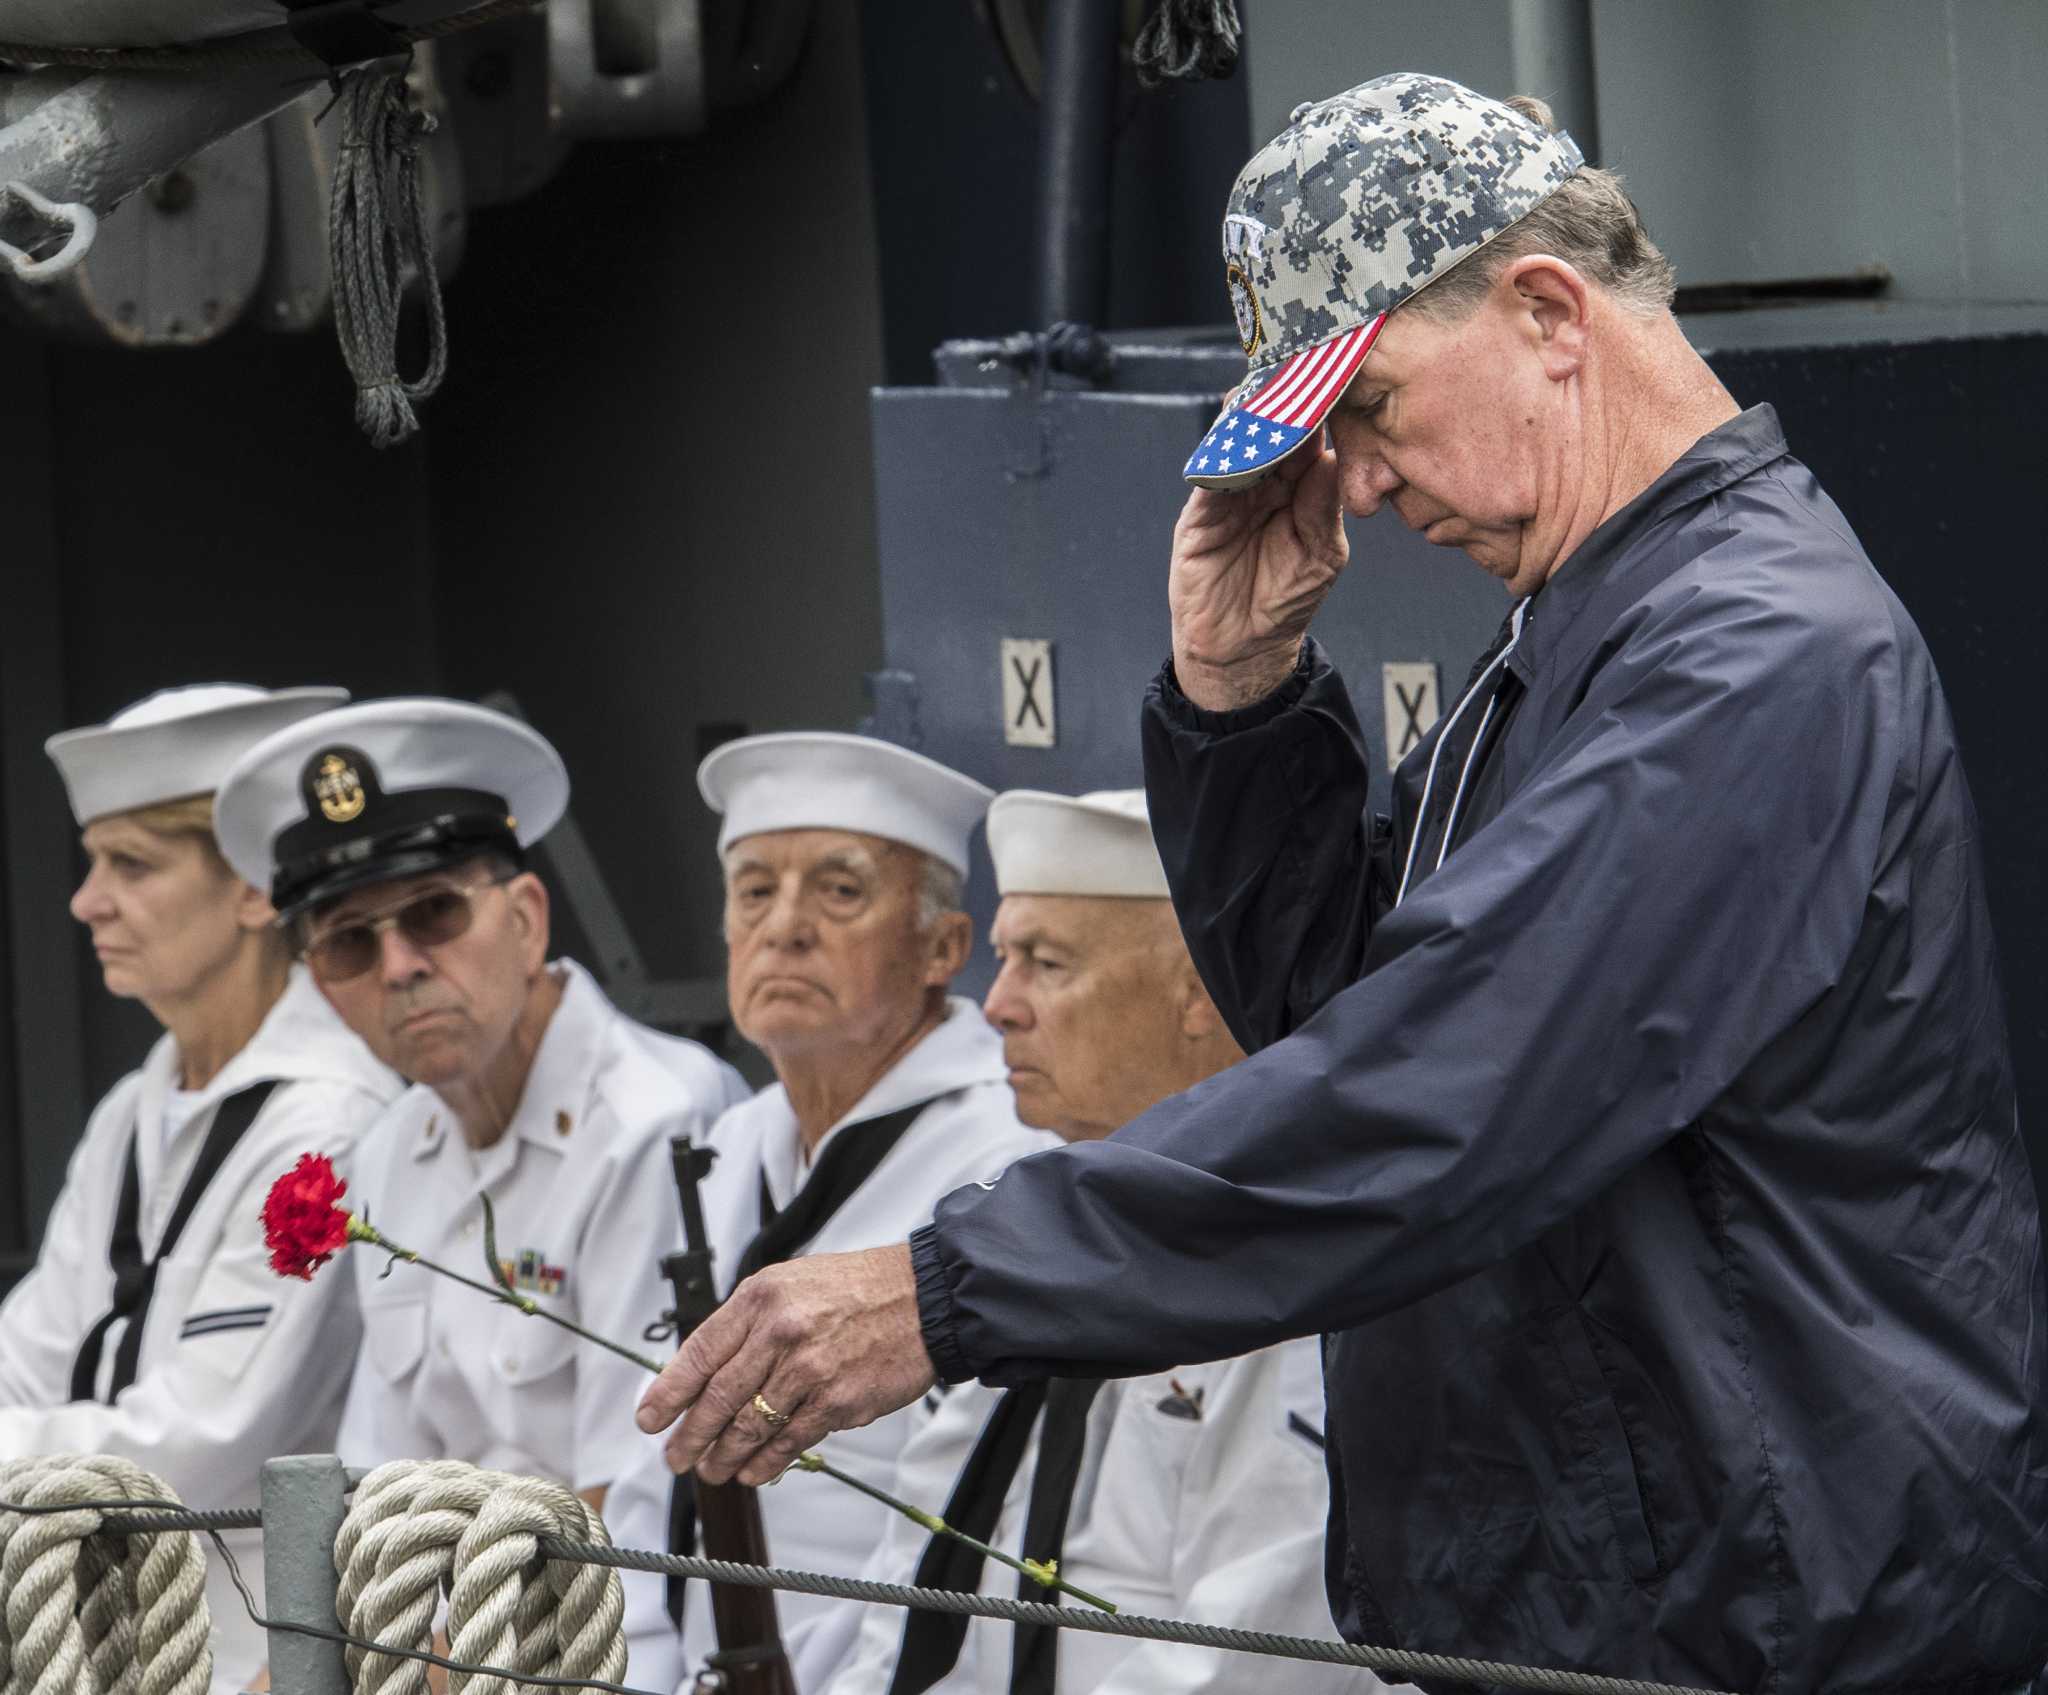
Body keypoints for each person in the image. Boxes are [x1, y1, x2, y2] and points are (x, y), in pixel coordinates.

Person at [636, 73, 2048, 1695]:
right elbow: (1342, 1022)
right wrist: (1237, 700)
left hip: (1775, 1638)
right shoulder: (1588, 635)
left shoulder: (1746, 657)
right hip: (1629, 1614)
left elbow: (1432, 1096)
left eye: (1367, 407)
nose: (1357, 487)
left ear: (1542, 312)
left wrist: (945, 1286)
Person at [827, 788, 1380, 1695]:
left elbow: (1251, 1656)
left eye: (1046, 962)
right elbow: (917, 1578)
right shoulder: (1007, 1222)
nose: (997, 1004)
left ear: (1198, 986)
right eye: (1004, 959)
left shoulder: (1295, 1268)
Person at [211, 698, 747, 1524]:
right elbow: (377, 1483)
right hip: (443, 1622)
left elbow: (634, 1508)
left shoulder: (654, 1122)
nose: (398, 967)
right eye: (351, 940)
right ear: (323, 984)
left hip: (609, 1638)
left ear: (527, 919)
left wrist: (421, 1654)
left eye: (434, 912)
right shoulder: (391, 1149)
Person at [604, 732, 1057, 1694]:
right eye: (755, 890)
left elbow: (958, 1536)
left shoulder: (1009, 1160)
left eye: (840, 891)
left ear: (943, 946)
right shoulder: (723, 1152)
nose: (786, 927)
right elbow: (644, 1478)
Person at [1, 684, 403, 1694]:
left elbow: (199, 1439)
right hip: (89, 1637)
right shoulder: (138, 1109)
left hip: (242, 1653)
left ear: (256, 891)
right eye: (93, 862)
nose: (86, 900)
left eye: (130, 864)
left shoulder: (329, 1119)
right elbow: (33, 1353)